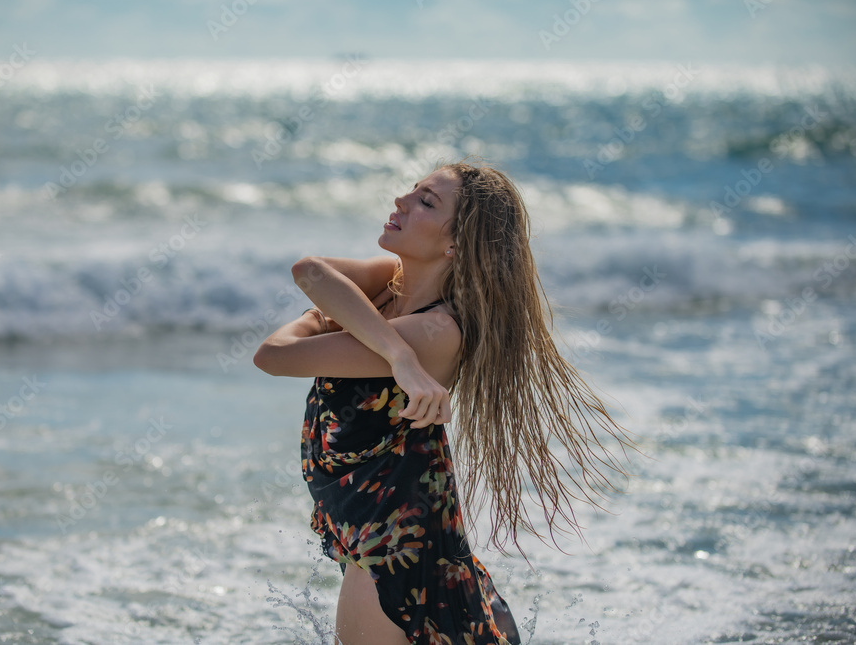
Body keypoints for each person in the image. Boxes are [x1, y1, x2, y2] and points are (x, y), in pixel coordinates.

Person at [254, 160, 634, 645]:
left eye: (426, 202)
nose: (401, 201)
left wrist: (336, 321)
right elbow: (308, 270)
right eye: (412, 190)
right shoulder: (390, 286)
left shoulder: (436, 331)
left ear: (456, 243)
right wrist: (394, 354)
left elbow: (274, 354)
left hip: (397, 561)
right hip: (385, 543)